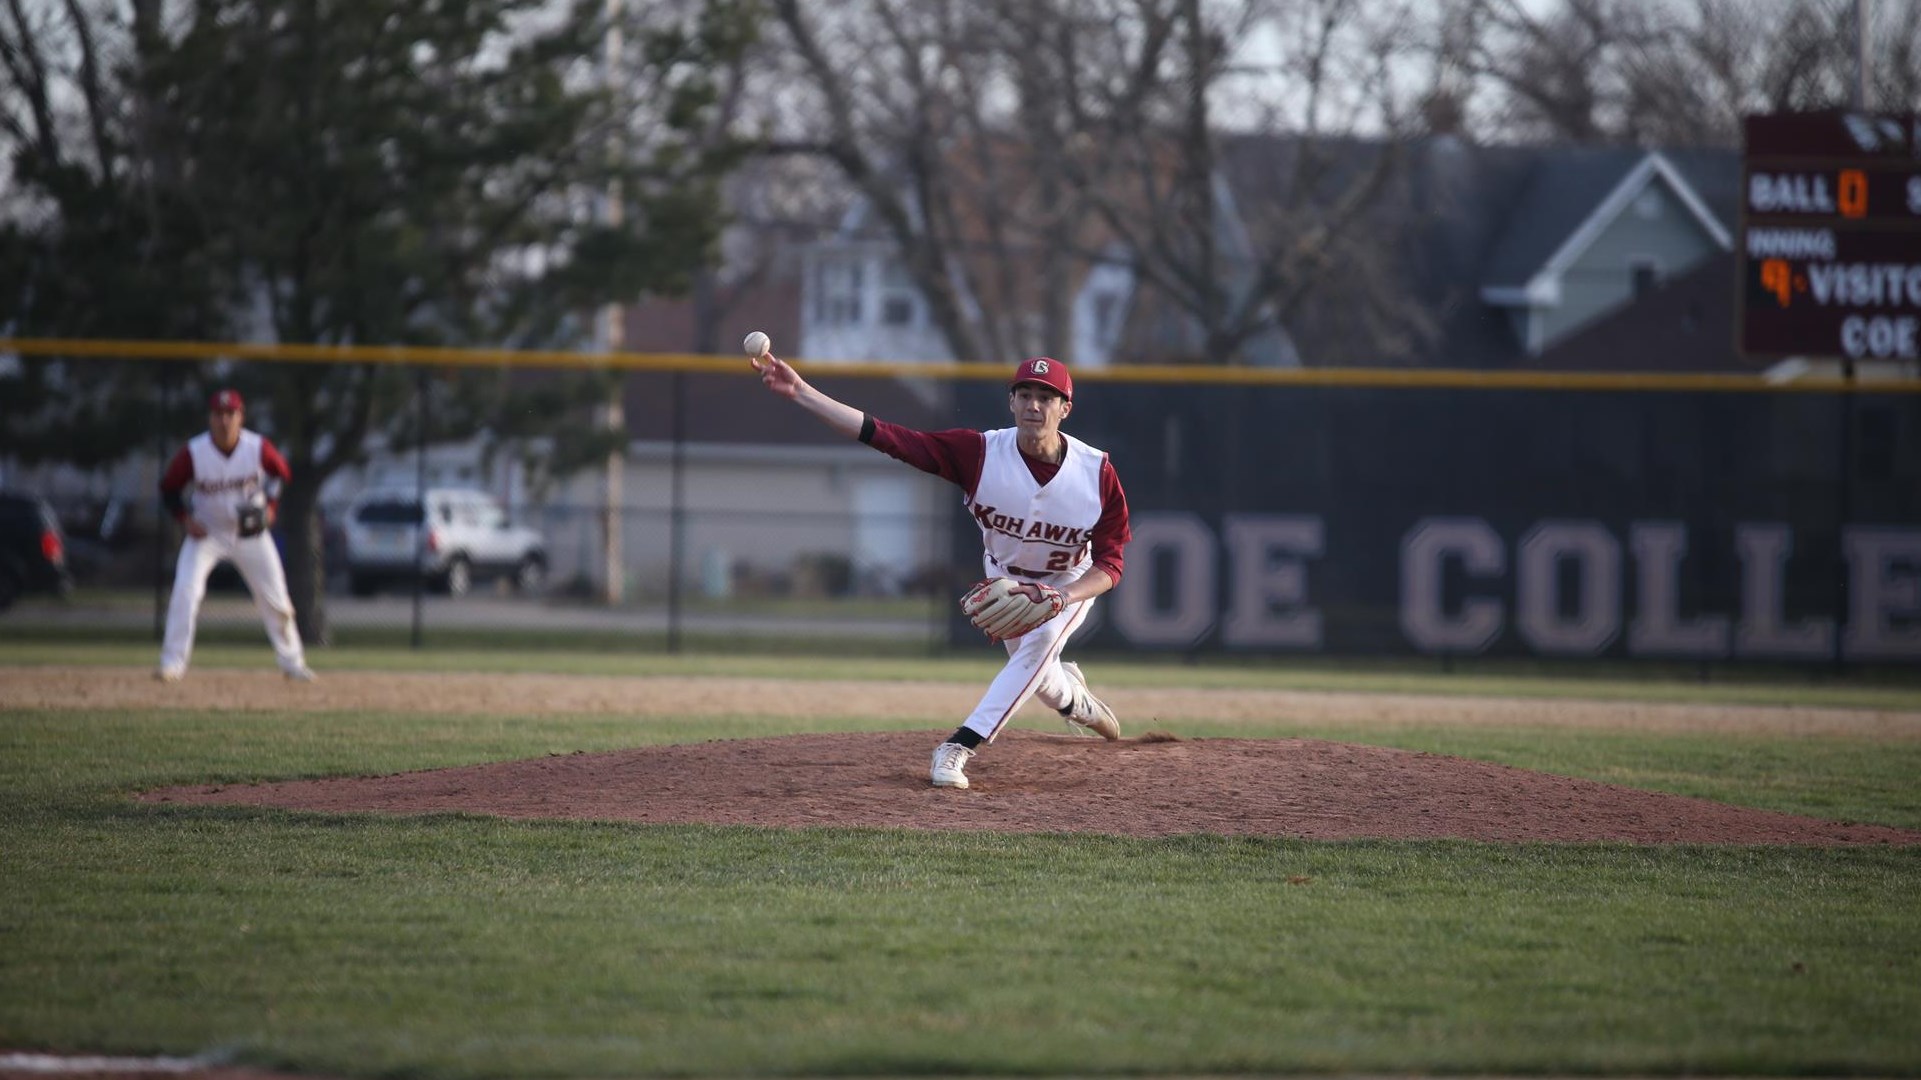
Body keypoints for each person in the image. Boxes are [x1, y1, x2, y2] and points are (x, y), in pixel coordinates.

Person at [752, 350, 1130, 789]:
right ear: (1011, 403)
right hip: (1006, 580)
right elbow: (888, 436)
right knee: (1041, 677)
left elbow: (1111, 561)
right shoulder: (980, 453)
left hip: (1067, 581)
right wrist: (802, 392)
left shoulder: (1096, 473)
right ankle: (1074, 701)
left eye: (1046, 397)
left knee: (1042, 640)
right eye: (1024, 393)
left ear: (1065, 409)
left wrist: (1065, 596)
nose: (1033, 405)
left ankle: (959, 745)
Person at [155, 388, 315, 683]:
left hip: (249, 532)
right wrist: (185, 519)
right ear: (210, 418)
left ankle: (293, 663)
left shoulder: (257, 448)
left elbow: (281, 475)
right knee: (185, 591)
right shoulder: (195, 452)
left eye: (231, 414)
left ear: (241, 417)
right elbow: (168, 488)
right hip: (208, 532)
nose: (224, 420)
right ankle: (172, 663)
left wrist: (270, 507)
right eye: (218, 414)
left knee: (276, 598)